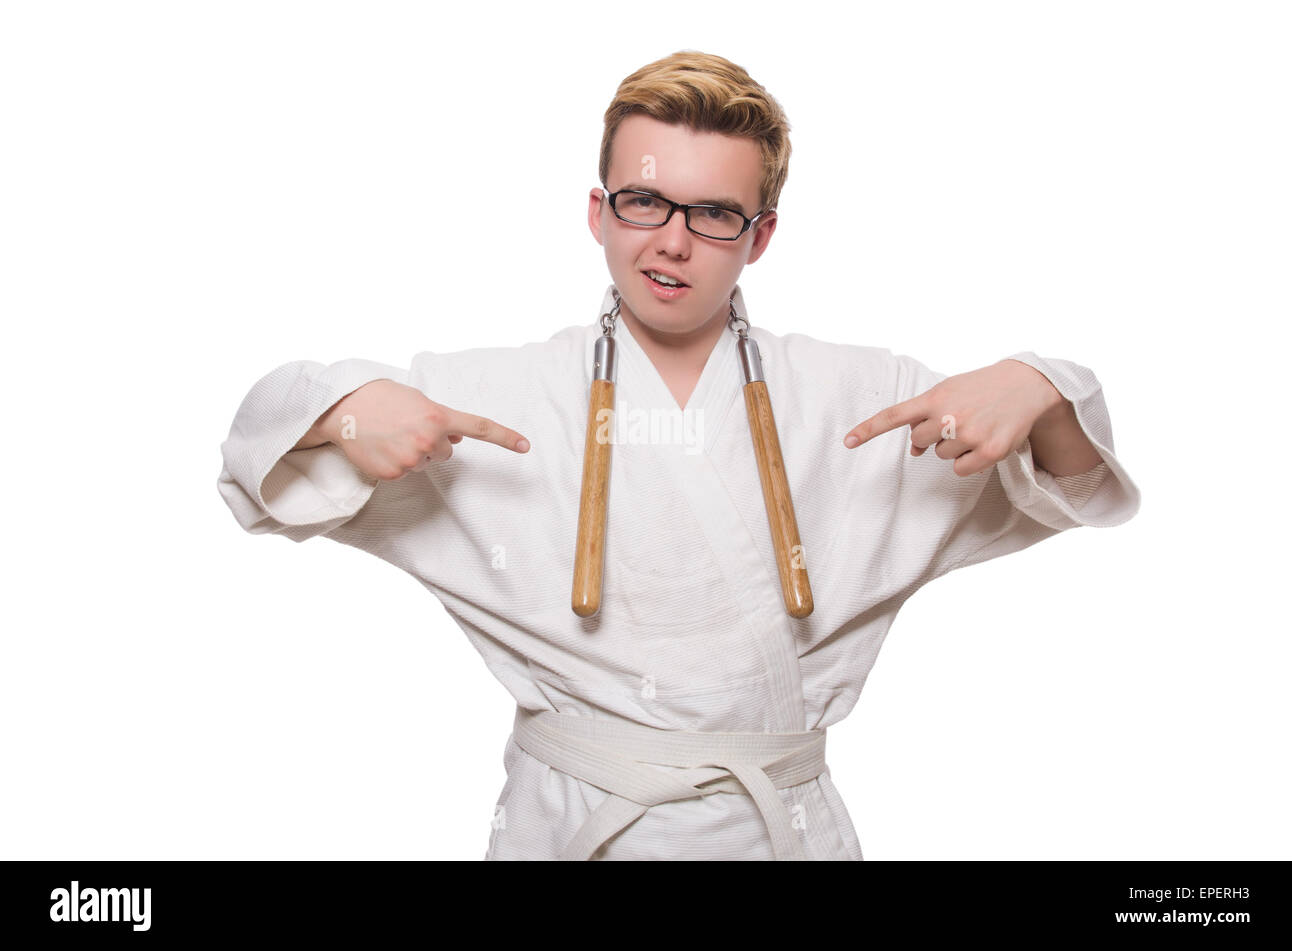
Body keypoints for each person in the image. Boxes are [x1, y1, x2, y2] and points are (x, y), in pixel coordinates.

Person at [217, 50, 1141, 860]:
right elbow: (257, 460)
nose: (671, 240)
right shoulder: (486, 400)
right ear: (598, 211)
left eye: (714, 214)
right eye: (645, 200)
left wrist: (1044, 386)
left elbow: (1065, 480)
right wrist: (342, 409)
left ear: (761, 235)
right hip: (571, 823)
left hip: (771, 823)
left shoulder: (865, 399)